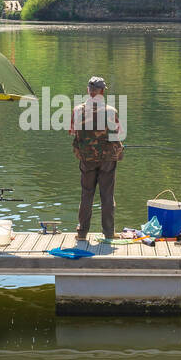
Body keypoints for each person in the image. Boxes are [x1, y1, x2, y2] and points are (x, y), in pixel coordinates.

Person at [70, 76, 124, 242]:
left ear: (88, 90)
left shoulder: (77, 110)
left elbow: (72, 132)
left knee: (87, 194)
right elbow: (119, 134)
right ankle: (108, 233)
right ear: (101, 91)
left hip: (86, 159)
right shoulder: (111, 111)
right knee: (107, 195)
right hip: (107, 159)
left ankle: (82, 233)